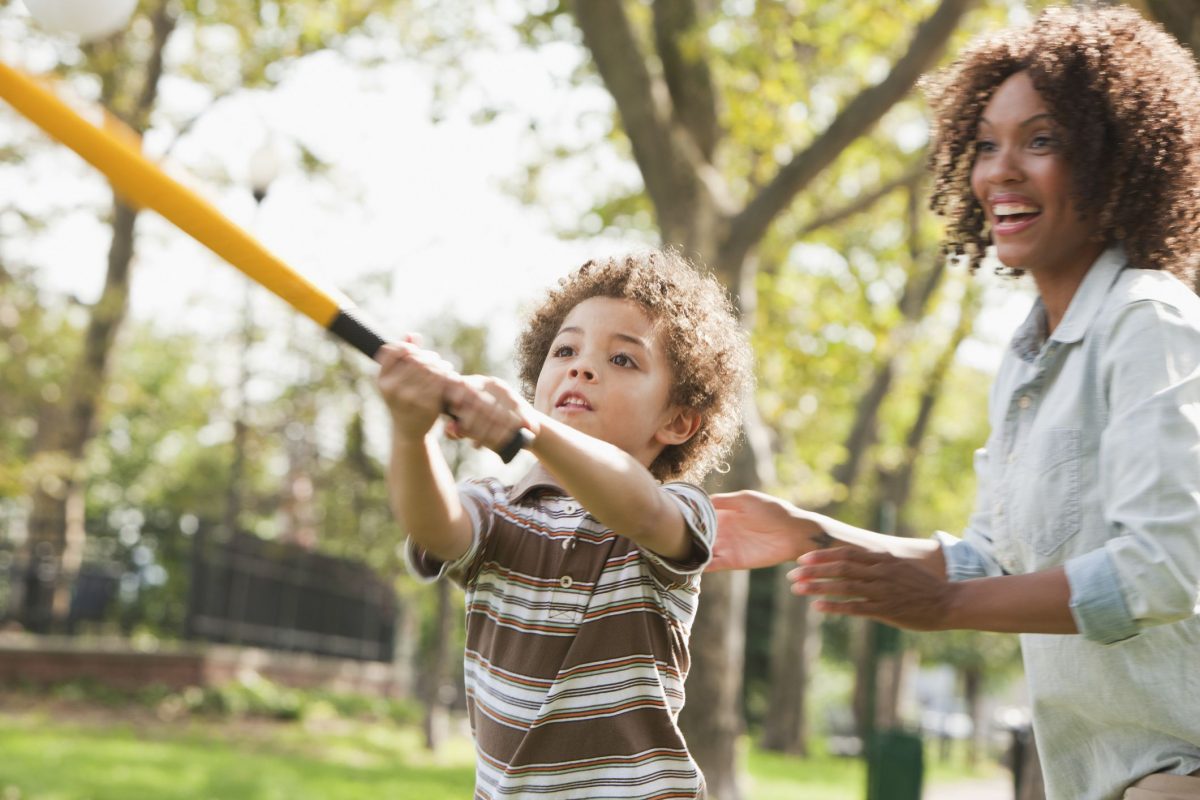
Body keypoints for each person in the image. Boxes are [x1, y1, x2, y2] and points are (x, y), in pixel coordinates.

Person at [708, 7, 1200, 800]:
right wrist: (814, 533)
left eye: (1041, 140)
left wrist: (947, 606)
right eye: (985, 145)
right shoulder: (1027, 356)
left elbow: (1164, 571)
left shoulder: (1148, 317)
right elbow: (991, 560)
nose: (999, 170)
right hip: (1097, 776)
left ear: (1117, 161)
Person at [377, 250, 752, 799]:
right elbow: (438, 529)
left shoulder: (678, 512)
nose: (581, 367)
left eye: (623, 360)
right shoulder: (496, 507)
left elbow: (638, 507)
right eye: (566, 350)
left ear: (677, 421)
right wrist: (412, 435)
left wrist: (531, 427)